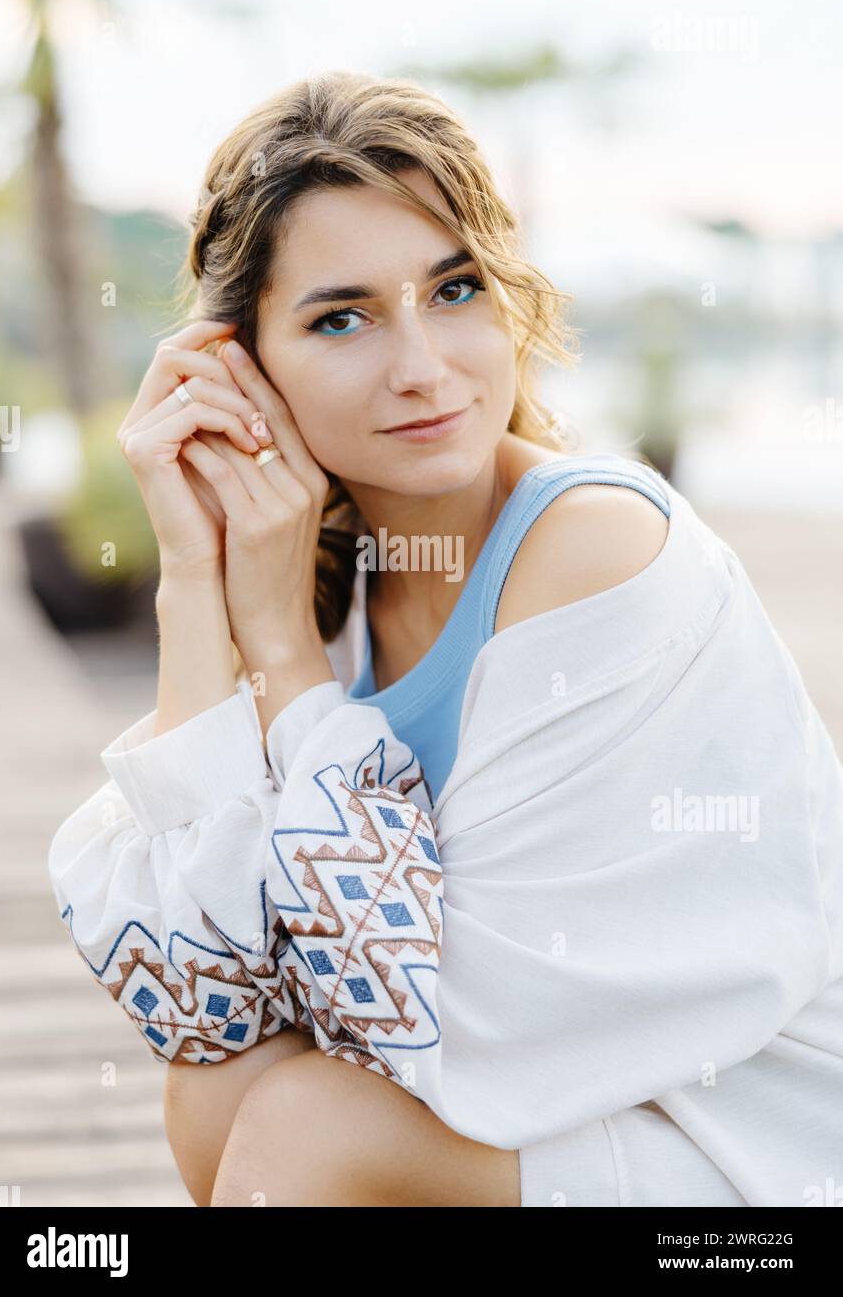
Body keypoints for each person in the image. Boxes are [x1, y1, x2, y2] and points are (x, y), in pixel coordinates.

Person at [48, 71, 843, 1208]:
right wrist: (191, 576)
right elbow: (194, 993)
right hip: (545, 1114)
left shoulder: (592, 550)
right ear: (242, 365)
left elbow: (422, 1017)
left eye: (453, 289)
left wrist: (276, 640)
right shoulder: (334, 578)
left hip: (745, 1147)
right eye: (341, 316)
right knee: (218, 1084)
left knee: (303, 1124)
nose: (421, 367)